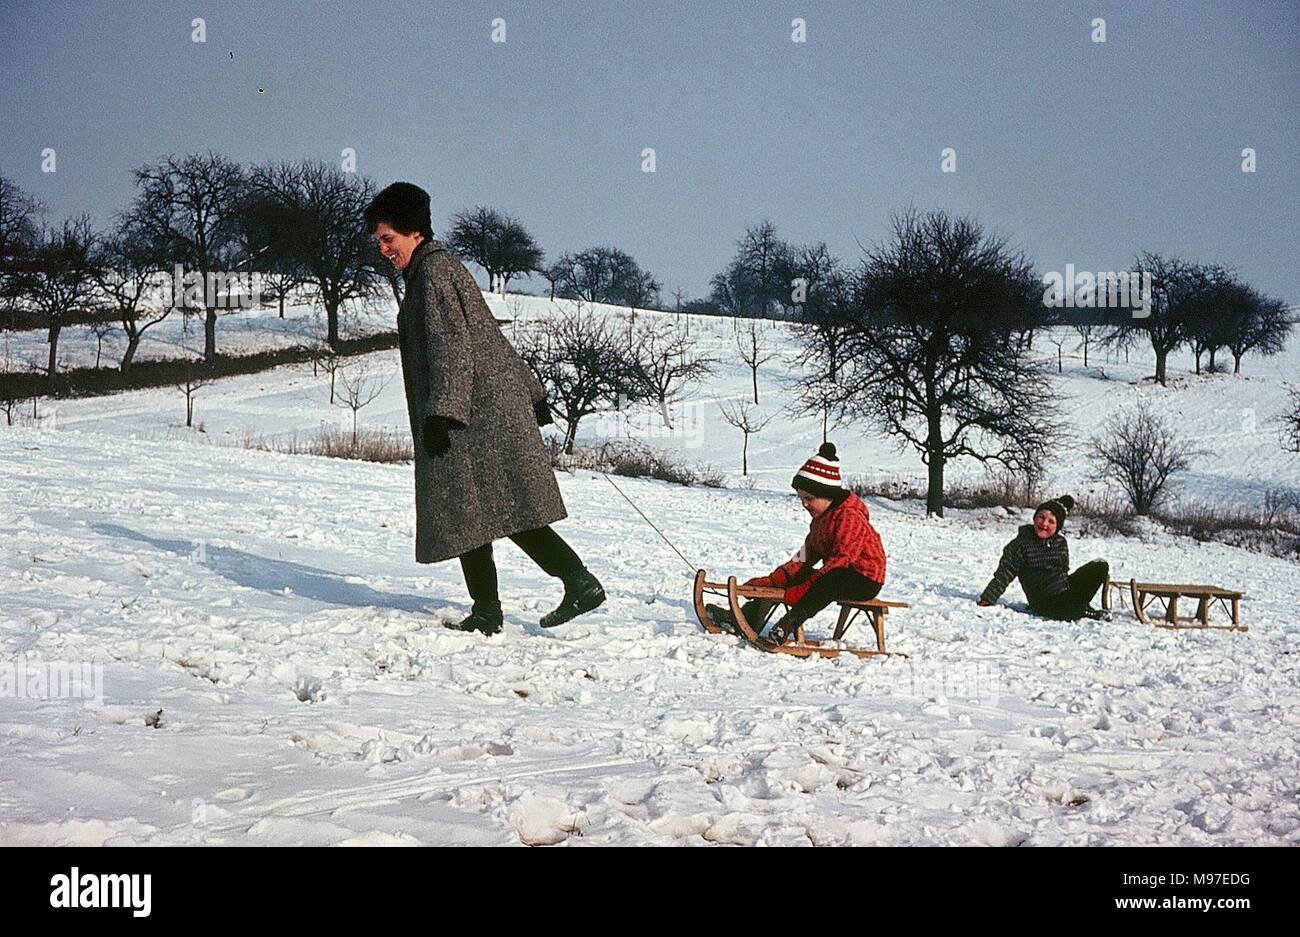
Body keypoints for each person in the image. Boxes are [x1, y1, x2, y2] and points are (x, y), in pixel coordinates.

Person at [364, 182, 605, 636]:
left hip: (474, 415)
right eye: (378, 241)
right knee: (473, 512)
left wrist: (442, 412)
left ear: (414, 232)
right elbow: (485, 337)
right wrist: (530, 391)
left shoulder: (434, 274)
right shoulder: (434, 270)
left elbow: (453, 346)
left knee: (498, 508)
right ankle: (494, 609)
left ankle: (576, 583)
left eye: (387, 239)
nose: (382, 249)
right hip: (478, 410)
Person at [707, 443, 887, 650]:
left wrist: (809, 585)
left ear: (827, 495)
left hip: (864, 578)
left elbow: (842, 559)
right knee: (802, 576)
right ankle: (746, 617)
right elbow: (806, 555)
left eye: (809, 499)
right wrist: (778, 578)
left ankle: (789, 623)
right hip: (836, 572)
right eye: (801, 499)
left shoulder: (849, 517)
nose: (804, 504)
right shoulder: (820, 520)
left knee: (829, 579)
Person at [977, 495, 1110, 621]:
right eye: (1041, 517)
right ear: (1035, 518)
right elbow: (1004, 574)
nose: (1044, 524)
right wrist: (988, 598)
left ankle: (1081, 606)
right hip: (1045, 602)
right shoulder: (1020, 545)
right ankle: (1080, 609)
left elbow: (1063, 572)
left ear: (1057, 527)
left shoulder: (1060, 543)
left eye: (1051, 521)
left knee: (1100, 566)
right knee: (1069, 610)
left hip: (1064, 592)